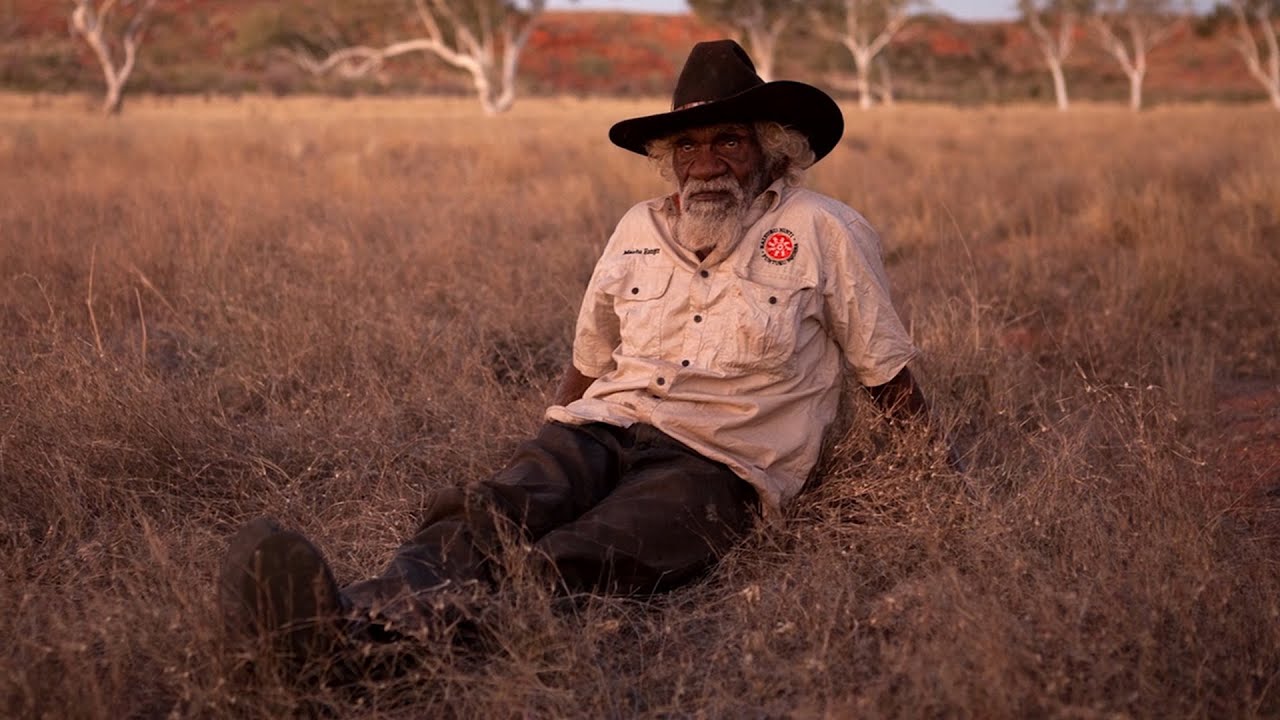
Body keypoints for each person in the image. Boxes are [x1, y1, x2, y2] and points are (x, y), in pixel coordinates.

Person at [219, 39, 943, 668]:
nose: (705, 163)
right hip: (604, 427)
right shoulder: (637, 228)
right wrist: (550, 450)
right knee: (487, 512)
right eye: (687, 146)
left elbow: (884, 368)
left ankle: (371, 653)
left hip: (719, 464)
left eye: (728, 141)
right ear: (667, 158)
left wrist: (939, 486)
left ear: (771, 148)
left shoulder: (822, 230)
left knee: (583, 555)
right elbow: (591, 357)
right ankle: (339, 619)